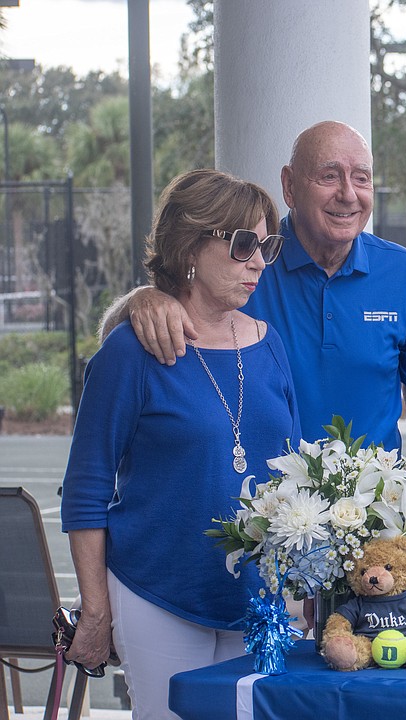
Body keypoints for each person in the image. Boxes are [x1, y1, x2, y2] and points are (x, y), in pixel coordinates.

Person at [61, 169, 303, 719]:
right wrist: (96, 611)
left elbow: (295, 474)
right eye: (243, 244)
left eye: (266, 245)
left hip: (257, 599)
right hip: (158, 591)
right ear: (189, 245)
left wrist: (298, 587)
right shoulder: (131, 352)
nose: (259, 261)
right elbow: (86, 486)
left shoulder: (269, 345)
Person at [100, 121, 406, 481]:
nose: (348, 193)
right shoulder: (244, 261)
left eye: (361, 178)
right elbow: (126, 340)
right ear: (289, 186)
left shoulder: (402, 271)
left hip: (369, 519)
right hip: (257, 516)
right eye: (329, 176)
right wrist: (141, 299)